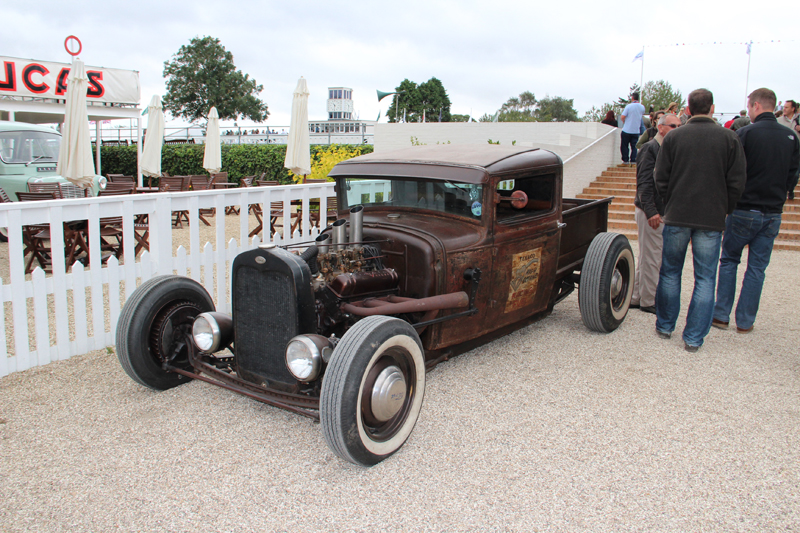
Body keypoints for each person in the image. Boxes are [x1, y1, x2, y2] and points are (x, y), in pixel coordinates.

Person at [654, 88, 747, 352]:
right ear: (712, 108)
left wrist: (671, 202)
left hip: (678, 214)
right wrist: (724, 208)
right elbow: (737, 181)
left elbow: (660, 177)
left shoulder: (674, 138)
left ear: (689, 108)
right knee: (705, 278)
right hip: (711, 217)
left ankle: (665, 325)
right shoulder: (729, 139)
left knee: (670, 271)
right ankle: (693, 337)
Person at [712, 88, 800, 334]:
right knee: (757, 268)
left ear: (757, 106)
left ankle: (721, 314)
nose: (749, 111)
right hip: (772, 210)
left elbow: (733, 171)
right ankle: (745, 320)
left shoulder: (744, 134)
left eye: (750, 107)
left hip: (743, 207)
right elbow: (793, 174)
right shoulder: (791, 137)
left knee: (729, 260)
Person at [631, 113, 682, 314]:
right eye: (673, 126)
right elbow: (644, 182)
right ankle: (649, 300)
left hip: (659, 210)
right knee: (653, 257)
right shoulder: (650, 148)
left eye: (680, 125)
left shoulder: (669, 149)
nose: (677, 129)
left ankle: (637, 296)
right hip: (650, 211)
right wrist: (651, 211)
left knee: (648, 256)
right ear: (660, 128)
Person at [620, 92, 645, 166]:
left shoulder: (629, 106)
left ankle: (625, 160)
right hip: (636, 130)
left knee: (624, 146)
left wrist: (624, 121)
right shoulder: (642, 107)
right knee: (634, 146)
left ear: (632, 98)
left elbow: (622, 116)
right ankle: (633, 160)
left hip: (627, 129)